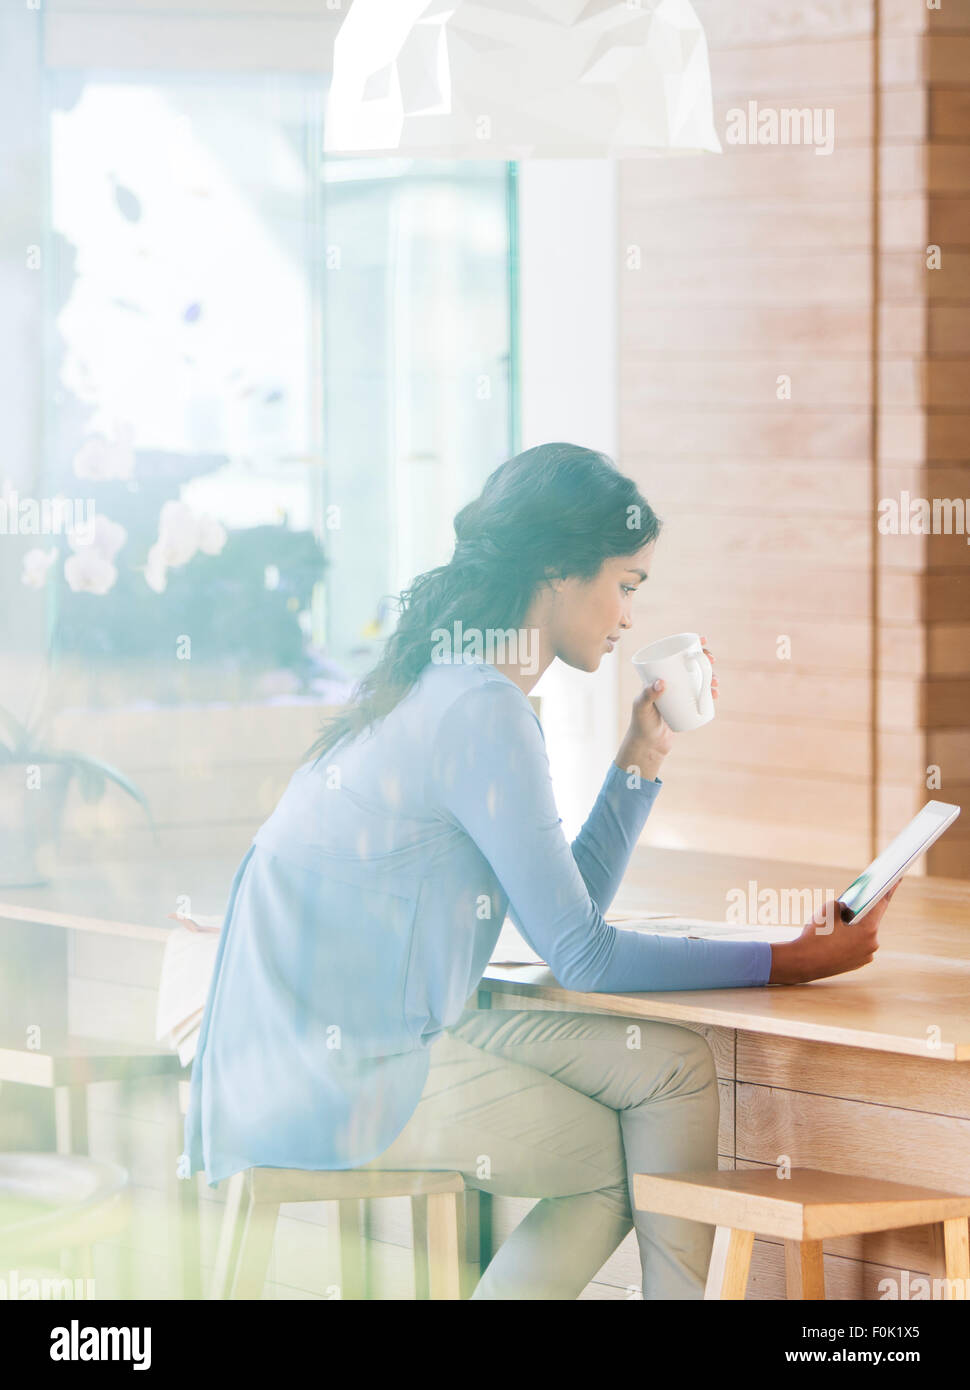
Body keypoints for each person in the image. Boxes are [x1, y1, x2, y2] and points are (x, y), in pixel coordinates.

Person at [183, 442, 897, 1299]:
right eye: (627, 585)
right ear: (559, 569)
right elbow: (583, 957)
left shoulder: (445, 683)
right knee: (613, 1163)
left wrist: (640, 757)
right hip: (340, 1076)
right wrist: (787, 961)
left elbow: (567, 917)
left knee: (671, 1068)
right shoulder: (483, 710)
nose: (630, 617)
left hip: (329, 1049)